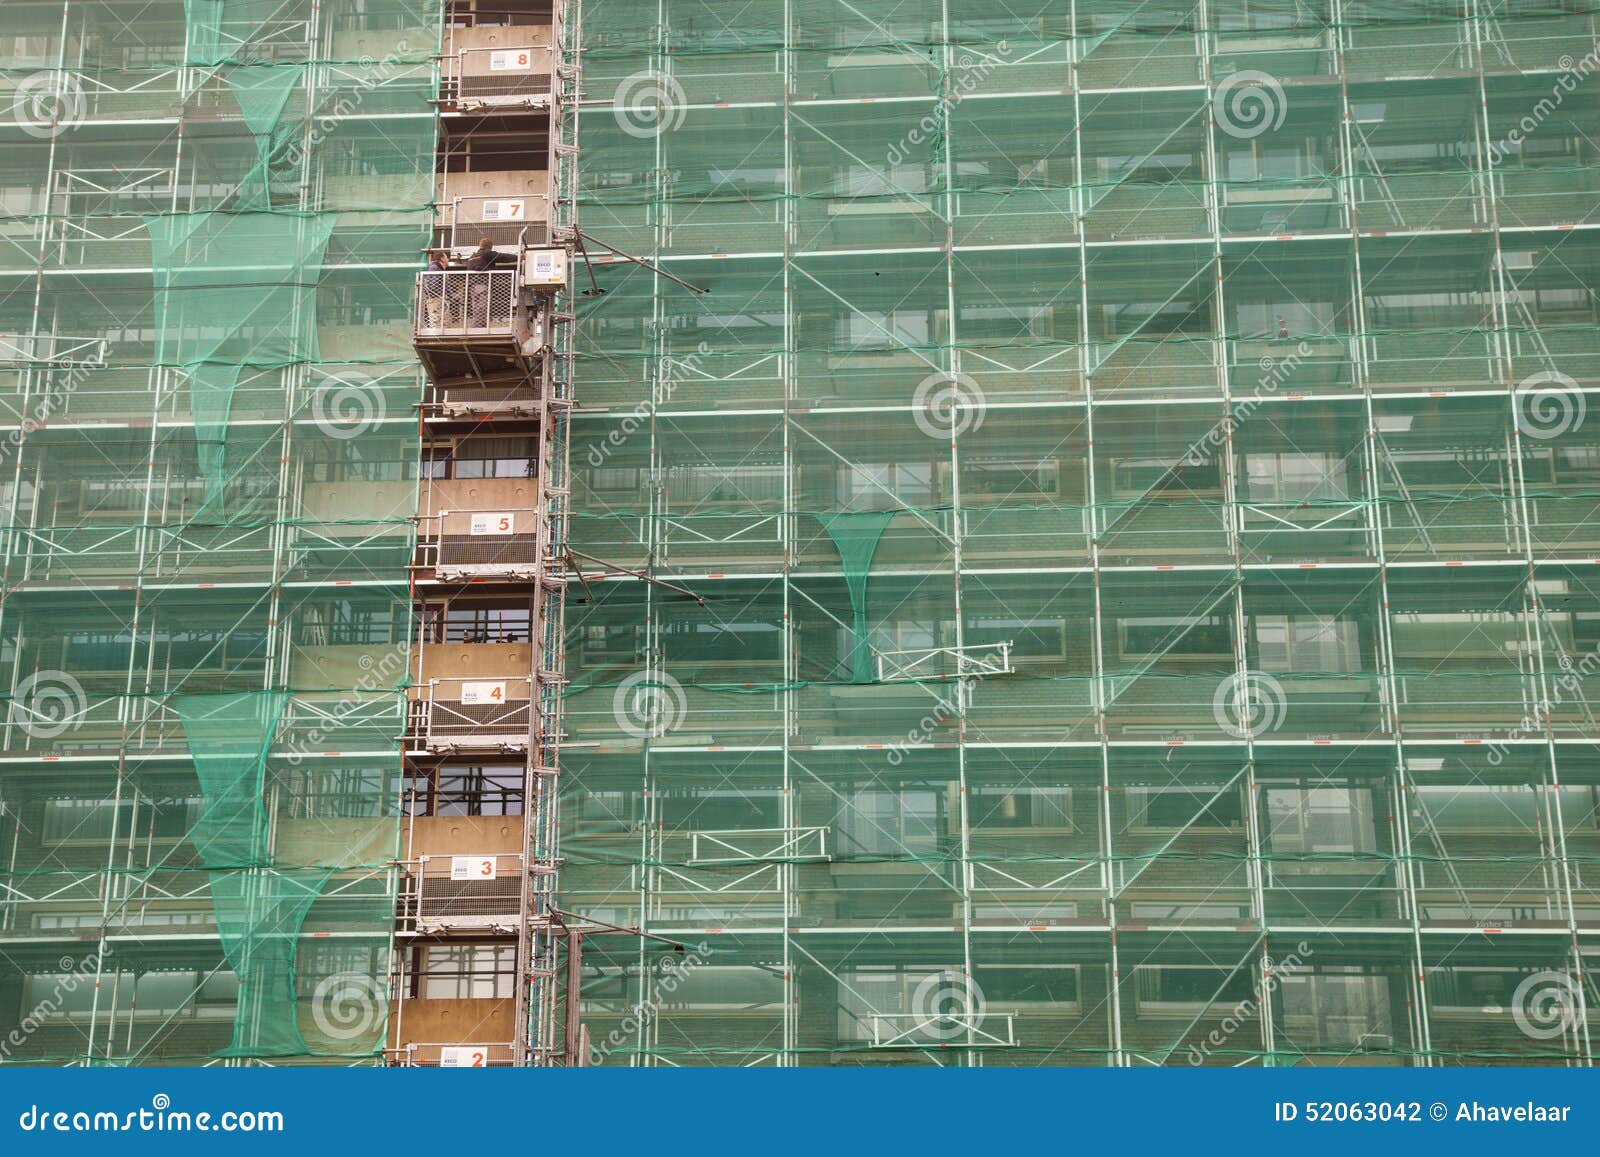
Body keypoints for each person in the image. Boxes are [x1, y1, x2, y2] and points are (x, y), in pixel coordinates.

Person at [465, 238, 503, 327]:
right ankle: (479, 326)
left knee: (476, 307)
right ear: (489, 247)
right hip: (483, 284)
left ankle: (477, 325)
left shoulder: (472, 257)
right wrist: (518, 257)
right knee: (482, 306)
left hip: (473, 285)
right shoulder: (486, 253)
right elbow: (503, 257)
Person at [422, 249, 450, 328]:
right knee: (437, 322)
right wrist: (441, 295)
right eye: (446, 257)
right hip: (437, 299)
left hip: (440, 299)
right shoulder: (434, 268)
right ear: (442, 258)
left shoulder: (437, 268)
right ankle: (436, 339)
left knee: (443, 322)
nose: (448, 259)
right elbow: (432, 285)